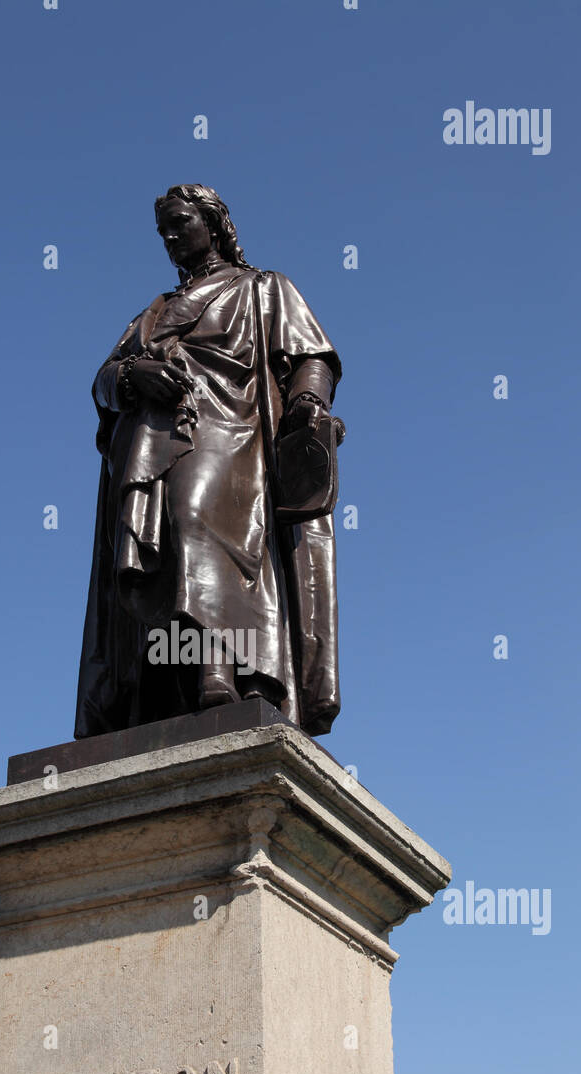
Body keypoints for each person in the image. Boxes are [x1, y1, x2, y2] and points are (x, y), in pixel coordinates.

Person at [75, 184, 343, 738]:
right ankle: (179, 685)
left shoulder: (264, 288)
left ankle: (222, 670)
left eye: (181, 222)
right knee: (163, 555)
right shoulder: (149, 315)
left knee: (193, 523)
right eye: (163, 230)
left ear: (215, 223)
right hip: (149, 441)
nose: (171, 237)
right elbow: (102, 382)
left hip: (232, 432)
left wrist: (307, 405)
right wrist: (131, 375)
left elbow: (312, 358)